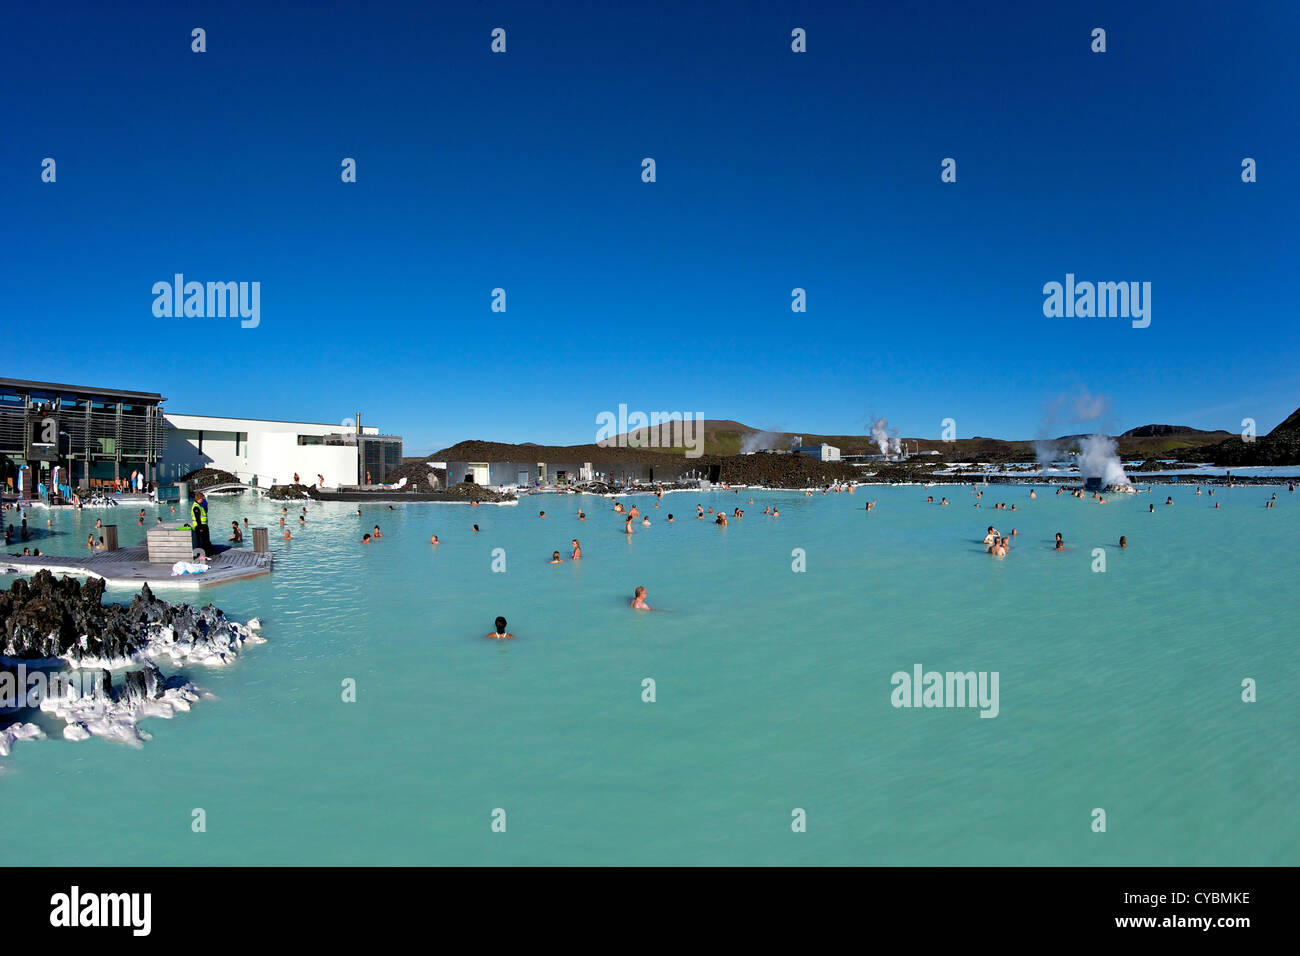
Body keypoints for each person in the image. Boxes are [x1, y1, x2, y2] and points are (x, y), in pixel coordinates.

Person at [190, 492, 212, 556]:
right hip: (200, 526)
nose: (202, 500)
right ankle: (203, 554)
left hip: (204, 525)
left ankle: (207, 553)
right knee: (202, 542)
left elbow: (205, 511)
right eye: (202, 499)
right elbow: (197, 519)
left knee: (205, 541)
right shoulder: (196, 507)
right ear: (199, 499)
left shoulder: (199, 505)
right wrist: (200, 528)